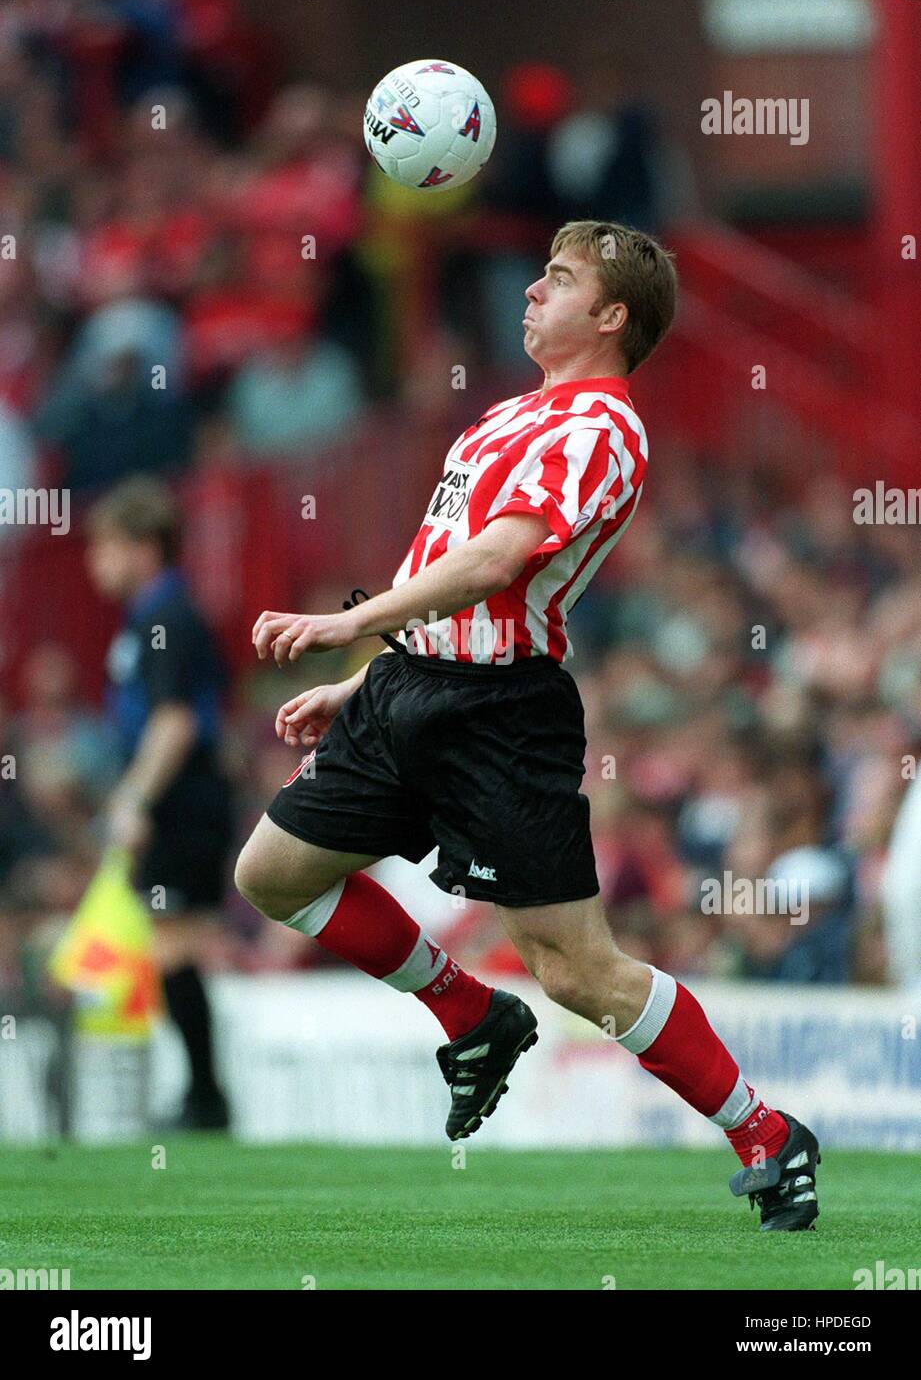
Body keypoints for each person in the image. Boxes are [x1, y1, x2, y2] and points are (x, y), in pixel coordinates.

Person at [235, 220, 821, 1231]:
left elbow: (500, 560)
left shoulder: (602, 428)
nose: (529, 293)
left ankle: (766, 1131)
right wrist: (369, 675)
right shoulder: (502, 416)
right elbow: (444, 565)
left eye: (556, 280)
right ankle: (469, 1011)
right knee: (274, 875)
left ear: (609, 314)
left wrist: (349, 621)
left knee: (574, 971)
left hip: (501, 718)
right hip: (412, 685)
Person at [86, 476, 233, 1129]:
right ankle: (203, 1094)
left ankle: (206, 1098)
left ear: (145, 546)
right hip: (176, 803)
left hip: (181, 803)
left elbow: (174, 721)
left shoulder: (165, 619)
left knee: (176, 942)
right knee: (171, 942)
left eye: (107, 546)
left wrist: (132, 801)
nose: (97, 562)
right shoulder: (149, 619)